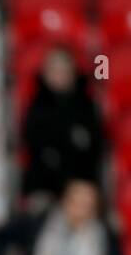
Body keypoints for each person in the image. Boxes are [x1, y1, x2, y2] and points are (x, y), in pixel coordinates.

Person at [19, 46, 105, 199]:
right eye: (55, 71)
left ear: (73, 73)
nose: (60, 76)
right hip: (44, 186)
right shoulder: (36, 106)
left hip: (81, 185)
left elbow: (94, 147)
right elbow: (34, 146)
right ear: (46, 74)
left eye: (64, 71)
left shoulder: (86, 106)